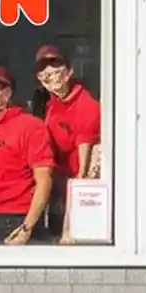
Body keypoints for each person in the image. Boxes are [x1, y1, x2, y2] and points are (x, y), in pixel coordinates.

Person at [0, 66, 56, 245]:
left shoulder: (31, 126)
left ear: (10, 93)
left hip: (20, 217)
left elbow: (44, 180)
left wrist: (27, 227)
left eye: (1, 88)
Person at [34, 45, 102, 241]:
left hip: (73, 186)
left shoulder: (86, 105)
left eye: (56, 71)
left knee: (67, 239)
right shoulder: (52, 102)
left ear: (68, 72)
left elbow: (84, 167)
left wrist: (73, 217)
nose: (50, 78)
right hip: (55, 181)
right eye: (44, 75)